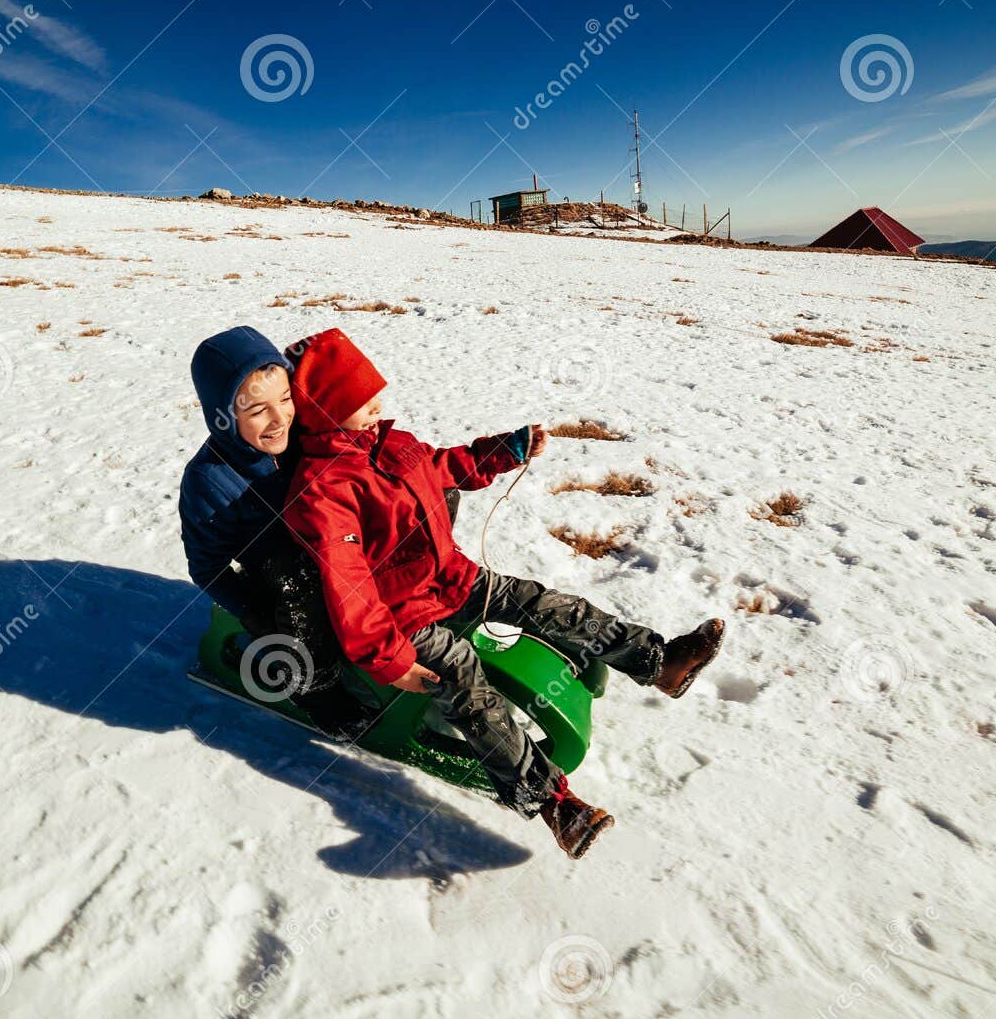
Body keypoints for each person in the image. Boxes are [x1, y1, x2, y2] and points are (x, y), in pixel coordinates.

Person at [281, 328, 725, 859]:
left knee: (543, 603)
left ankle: (658, 661)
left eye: (376, 393)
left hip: (450, 578)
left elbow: (443, 467)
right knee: (463, 679)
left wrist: (498, 452)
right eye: (361, 400)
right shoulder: (323, 489)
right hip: (400, 617)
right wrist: (388, 659)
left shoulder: (390, 443)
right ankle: (551, 801)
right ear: (328, 410)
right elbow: (347, 584)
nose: (377, 406)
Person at [179, 327, 374, 739]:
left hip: (335, 544)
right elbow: (207, 567)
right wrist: (254, 615)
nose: (280, 418)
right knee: (296, 578)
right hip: (280, 577)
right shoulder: (209, 481)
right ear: (223, 416)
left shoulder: (306, 433)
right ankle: (316, 690)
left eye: (285, 399)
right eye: (257, 410)